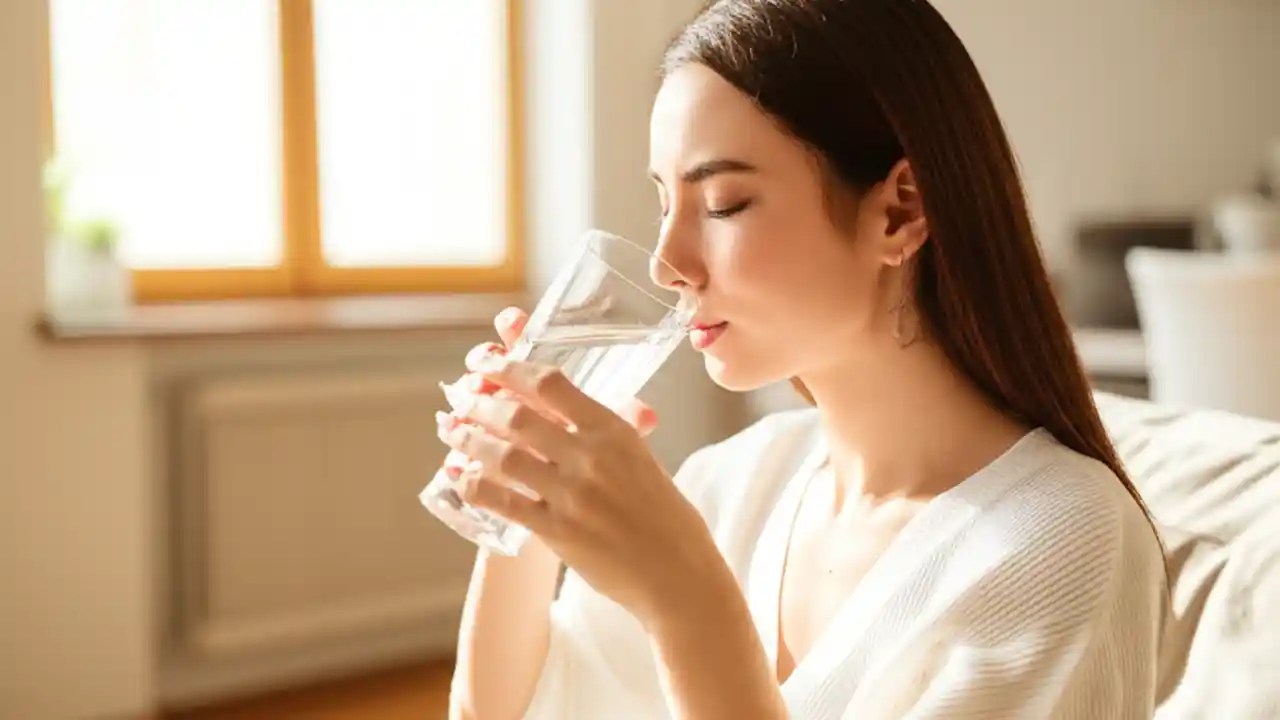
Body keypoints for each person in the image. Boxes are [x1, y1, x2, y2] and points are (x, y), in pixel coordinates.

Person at [440, 0, 1166, 718]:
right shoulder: (735, 480)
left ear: (900, 211)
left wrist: (688, 604)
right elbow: (508, 710)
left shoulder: (1064, 540)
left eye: (722, 203)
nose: (667, 263)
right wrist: (525, 494)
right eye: (664, 203)